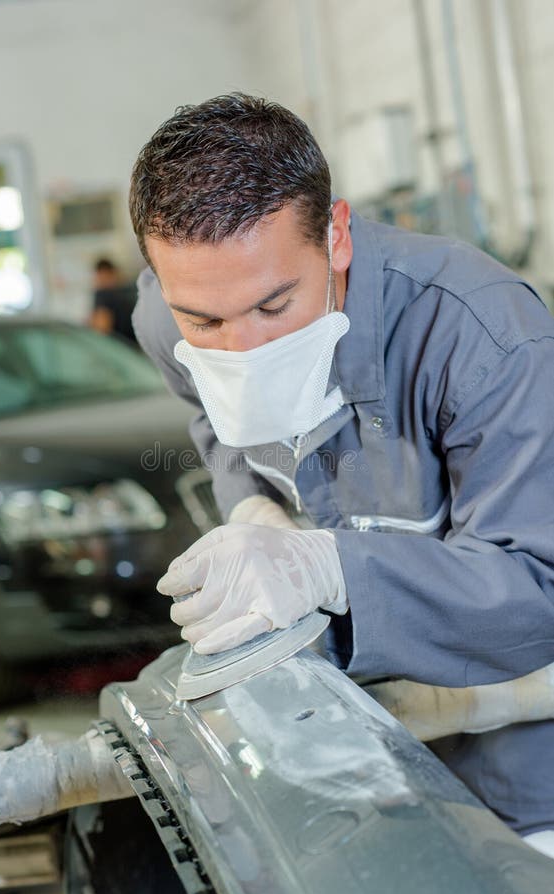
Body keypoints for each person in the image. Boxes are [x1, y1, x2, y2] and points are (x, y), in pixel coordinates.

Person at [128, 94, 554, 854]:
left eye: (273, 304)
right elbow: (221, 434)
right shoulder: (165, 321)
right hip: (348, 757)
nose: (239, 349)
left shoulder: (487, 339)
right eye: (206, 321)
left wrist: (327, 569)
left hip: (524, 763)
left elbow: (539, 590)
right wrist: (253, 514)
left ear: (336, 236)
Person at [89, 257, 138, 343]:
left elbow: (102, 328)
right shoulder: (129, 291)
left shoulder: (103, 294)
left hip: (115, 348)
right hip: (133, 348)